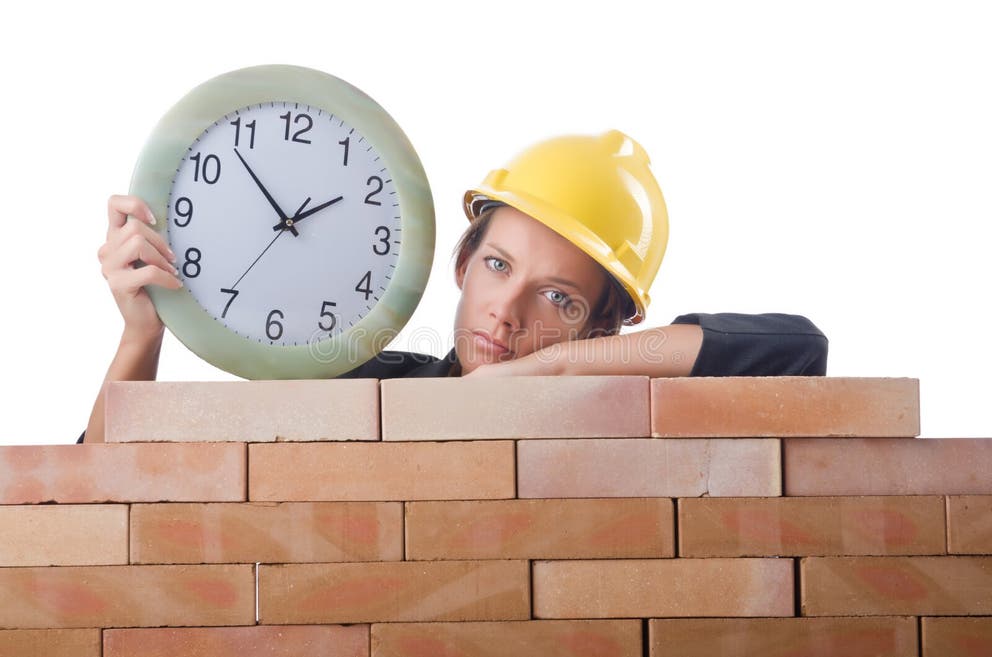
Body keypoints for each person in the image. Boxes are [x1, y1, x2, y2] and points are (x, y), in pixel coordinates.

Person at [79, 130, 826, 443]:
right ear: (464, 264)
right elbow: (100, 478)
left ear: (602, 331)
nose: (507, 308)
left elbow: (797, 349)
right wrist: (143, 333)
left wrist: (548, 370)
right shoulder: (367, 383)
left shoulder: (633, 422)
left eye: (559, 299)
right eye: (499, 266)